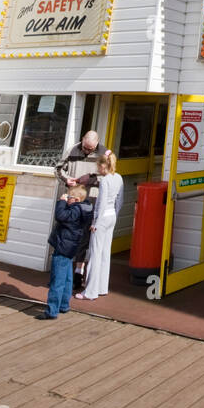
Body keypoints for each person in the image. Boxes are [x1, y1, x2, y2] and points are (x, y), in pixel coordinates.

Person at [55, 129, 105, 289]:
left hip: (90, 202)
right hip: (73, 201)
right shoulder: (72, 150)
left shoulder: (104, 152)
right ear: (82, 139)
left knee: (84, 239)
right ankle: (66, 272)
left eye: (90, 149)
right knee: (68, 235)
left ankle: (78, 272)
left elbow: (108, 176)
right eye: (85, 147)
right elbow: (57, 168)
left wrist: (92, 179)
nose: (86, 151)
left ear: (97, 144)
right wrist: (66, 179)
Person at [39, 185, 92, 320]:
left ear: (76, 199)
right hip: (69, 248)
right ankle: (63, 305)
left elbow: (60, 215)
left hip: (63, 247)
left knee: (57, 279)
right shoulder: (82, 209)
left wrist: (61, 201)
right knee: (68, 278)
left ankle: (52, 310)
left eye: (69, 197)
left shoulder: (74, 211)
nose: (67, 199)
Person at [76, 152, 123, 301]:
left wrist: (95, 221)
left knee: (95, 254)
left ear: (103, 165)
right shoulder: (119, 178)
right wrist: (115, 214)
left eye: (98, 166)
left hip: (102, 218)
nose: (98, 168)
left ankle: (90, 291)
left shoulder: (105, 181)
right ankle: (102, 287)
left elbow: (101, 203)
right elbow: (120, 200)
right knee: (105, 253)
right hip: (112, 216)